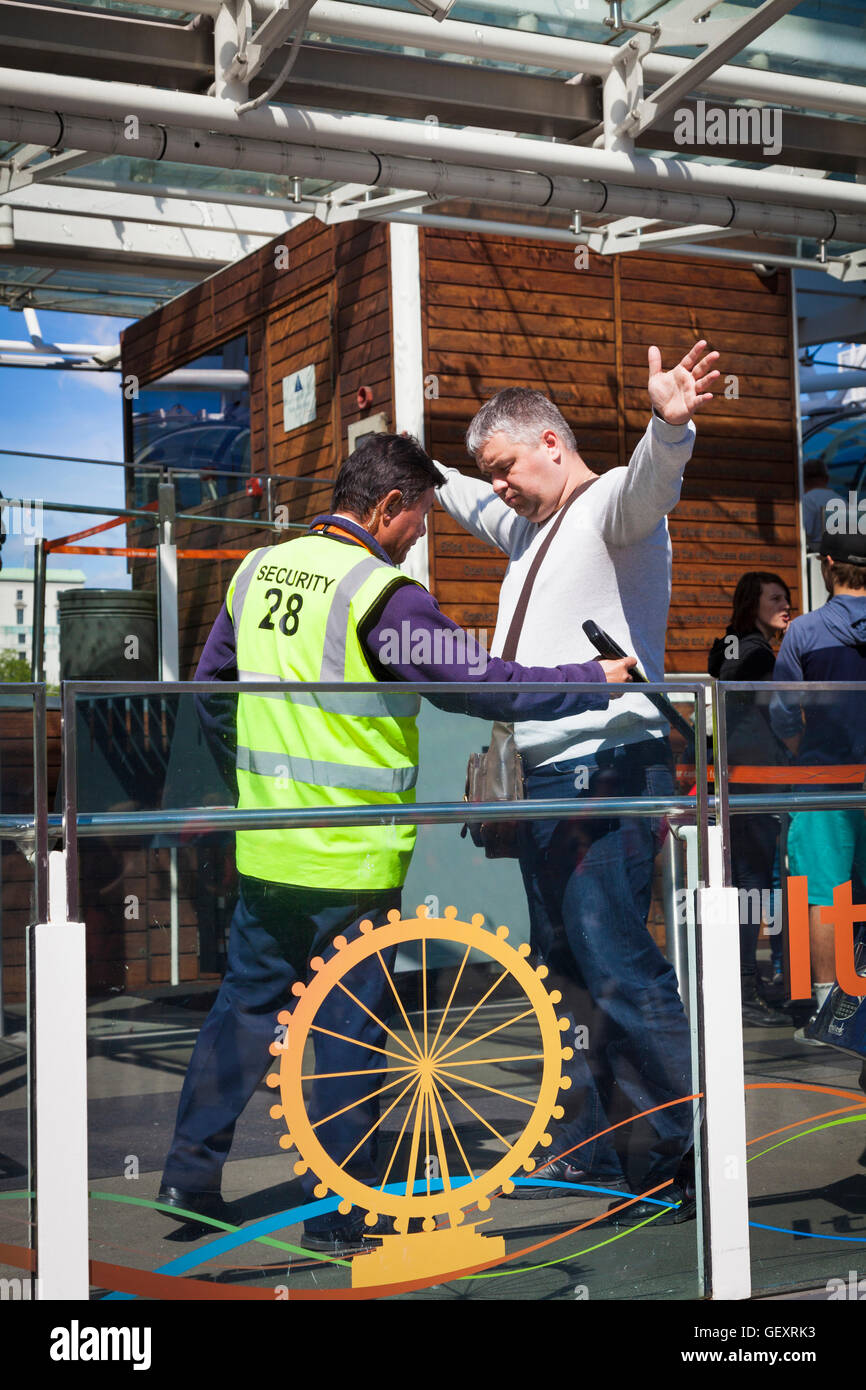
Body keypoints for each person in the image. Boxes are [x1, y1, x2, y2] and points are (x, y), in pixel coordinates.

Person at [158, 432, 635, 1255]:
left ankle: (188, 1174)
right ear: (386, 507)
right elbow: (482, 685)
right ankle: (338, 1210)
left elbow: (212, 689)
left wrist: (262, 779)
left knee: (244, 1009)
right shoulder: (382, 596)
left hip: (270, 846)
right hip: (349, 859)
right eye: (417, 520)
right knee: (346, 1030)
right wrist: (593, 682)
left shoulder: (258, 571)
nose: (419, 538)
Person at [435, 340, 720, 1225]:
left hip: (604, 777)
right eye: (495, 476)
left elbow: (648, 482)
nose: (504, 488)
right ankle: (601, 1151)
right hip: (553, 784)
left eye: (509, 468)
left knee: (618, 969)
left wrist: (669, 425)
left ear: (552, 443)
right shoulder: (530, 524)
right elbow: (472, 500)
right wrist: (411, 460)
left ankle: (685, 1152)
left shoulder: (609, 510)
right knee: (569, 973)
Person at [770, 527, 866, 1035]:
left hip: (825, 780)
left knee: (826, 894)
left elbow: (783, 712)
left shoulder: (805, 632)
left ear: (827, 565)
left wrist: (797, 754)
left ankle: (830, 1010)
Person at [707, 572, 791, 1026]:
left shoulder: (730, 641)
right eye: (775, 598)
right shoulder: (757, 651)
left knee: (745, 885)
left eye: (787, 598)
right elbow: (739, 678)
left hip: (735, 779)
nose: (786, 605)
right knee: (753, 885)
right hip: (755, 782)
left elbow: (720, 668)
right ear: (751, 603)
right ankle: (745, 989)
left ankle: (746, 985)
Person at [801, 460, 842, 552]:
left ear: (803, 480)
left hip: (817, 558)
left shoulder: (806, 500)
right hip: (841, 558)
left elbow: (804, 535)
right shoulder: (843, 501)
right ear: (827, 478)